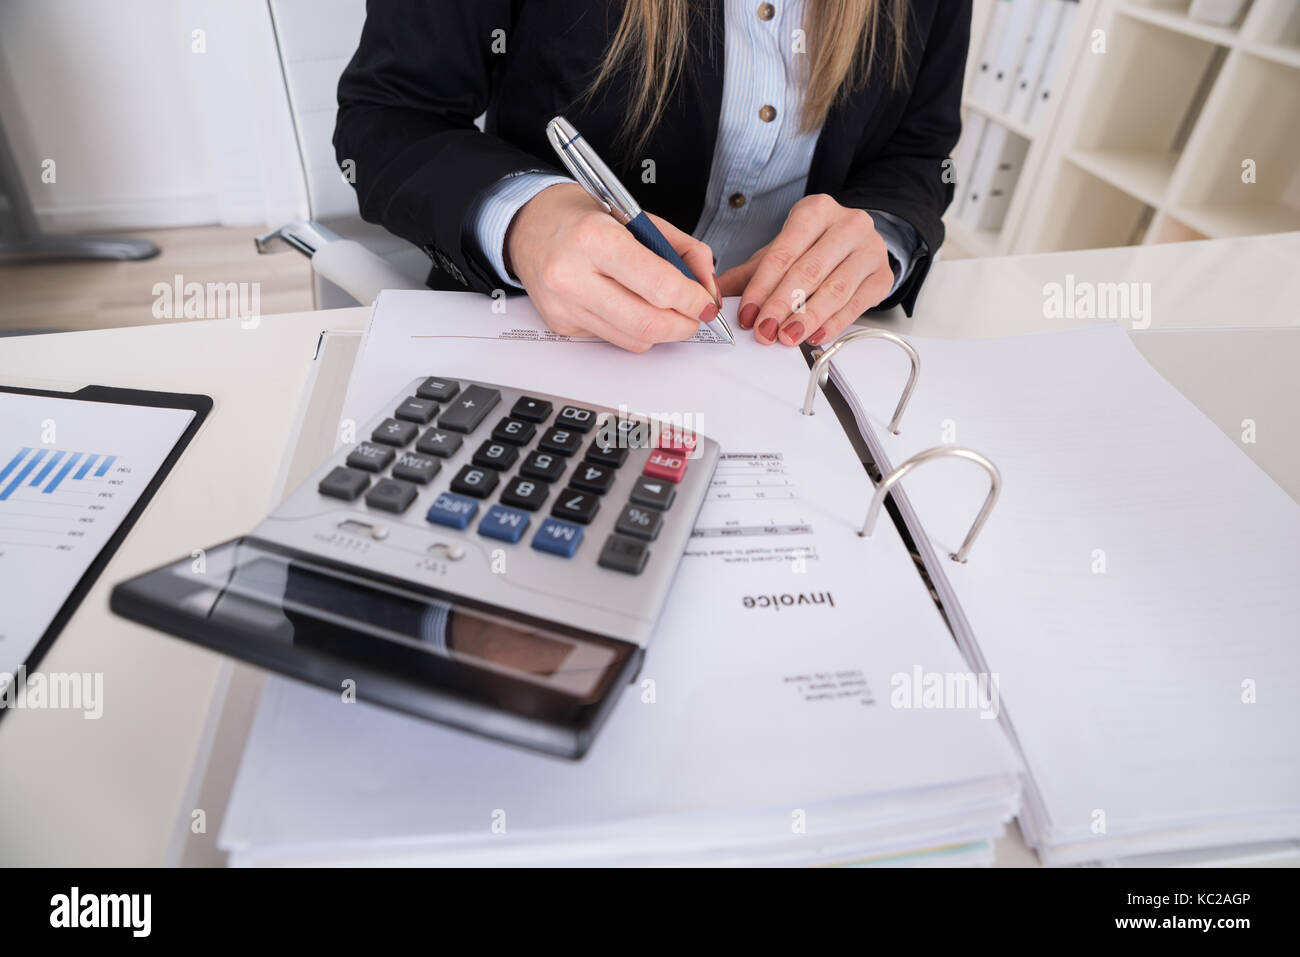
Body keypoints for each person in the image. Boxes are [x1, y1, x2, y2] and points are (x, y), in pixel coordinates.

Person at [336, 0, 969, 351]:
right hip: (542, 339)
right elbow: (389, 119)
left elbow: (919, 149)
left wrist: (879, 237)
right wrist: (530, 219)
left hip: (799, 356)